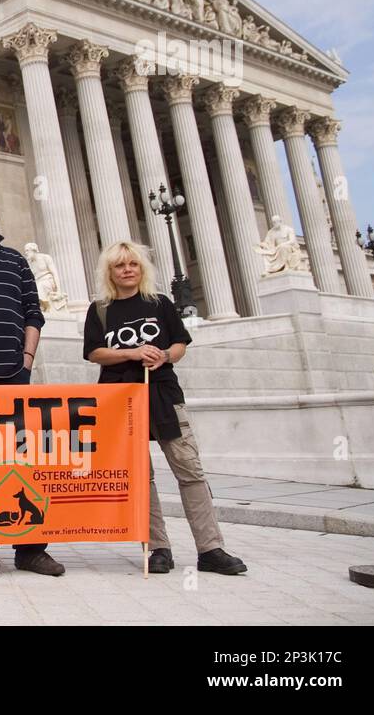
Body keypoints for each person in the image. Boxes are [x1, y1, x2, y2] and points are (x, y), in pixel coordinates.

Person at [83, 241, 248, 576]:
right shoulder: (99, 309)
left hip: (164, 393)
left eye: (133, 264)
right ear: (110, 272)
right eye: (120, 265)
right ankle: (158, 548)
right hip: (120, 399)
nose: (127, 269)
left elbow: (179, 344)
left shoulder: (160, 304)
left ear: (141, 268)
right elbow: (94, 352)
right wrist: (132, 353)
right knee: (141, 476)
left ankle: (210, 548)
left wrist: (164, 355)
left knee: (189, 471)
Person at [0, 190, 63, 578]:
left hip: (14, 375)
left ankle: (31, 549)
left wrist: (27, 360)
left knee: (21, 461)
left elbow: (34, 312)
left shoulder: (16, 260)